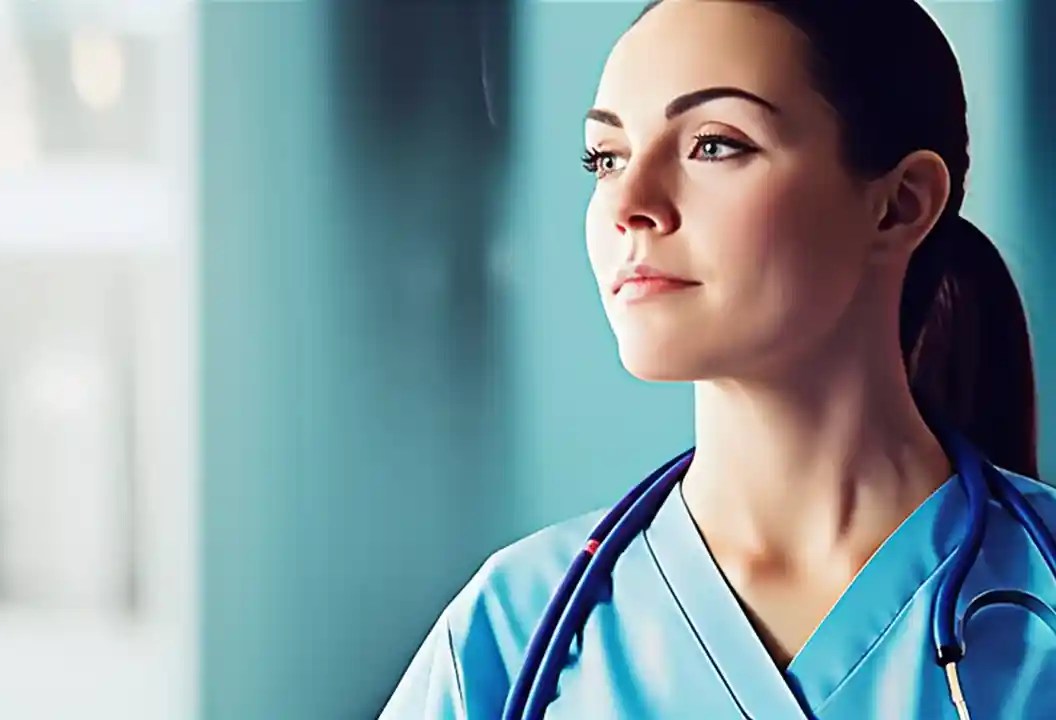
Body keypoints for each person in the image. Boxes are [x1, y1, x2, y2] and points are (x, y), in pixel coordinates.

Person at [379, 1, 1056, 718]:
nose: (629, 204)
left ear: (899, 204)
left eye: (714, 144)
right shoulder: (512, 633)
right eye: (606, 158)